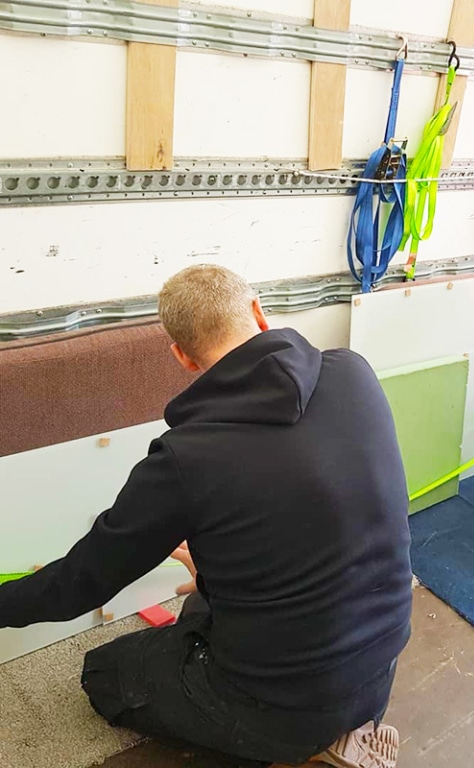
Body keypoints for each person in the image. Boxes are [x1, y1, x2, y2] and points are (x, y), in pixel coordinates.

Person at [0, 265, 413, 768]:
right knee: (200, 606)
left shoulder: (185, 459)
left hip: (287, 704)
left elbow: (77, 587)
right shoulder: (353, 371)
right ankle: (345, 728)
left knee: (104, 674)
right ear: (259, 312)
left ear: (181, 356)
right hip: (381, 663)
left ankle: (318, 748)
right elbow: (322, 508)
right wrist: (212, 575)